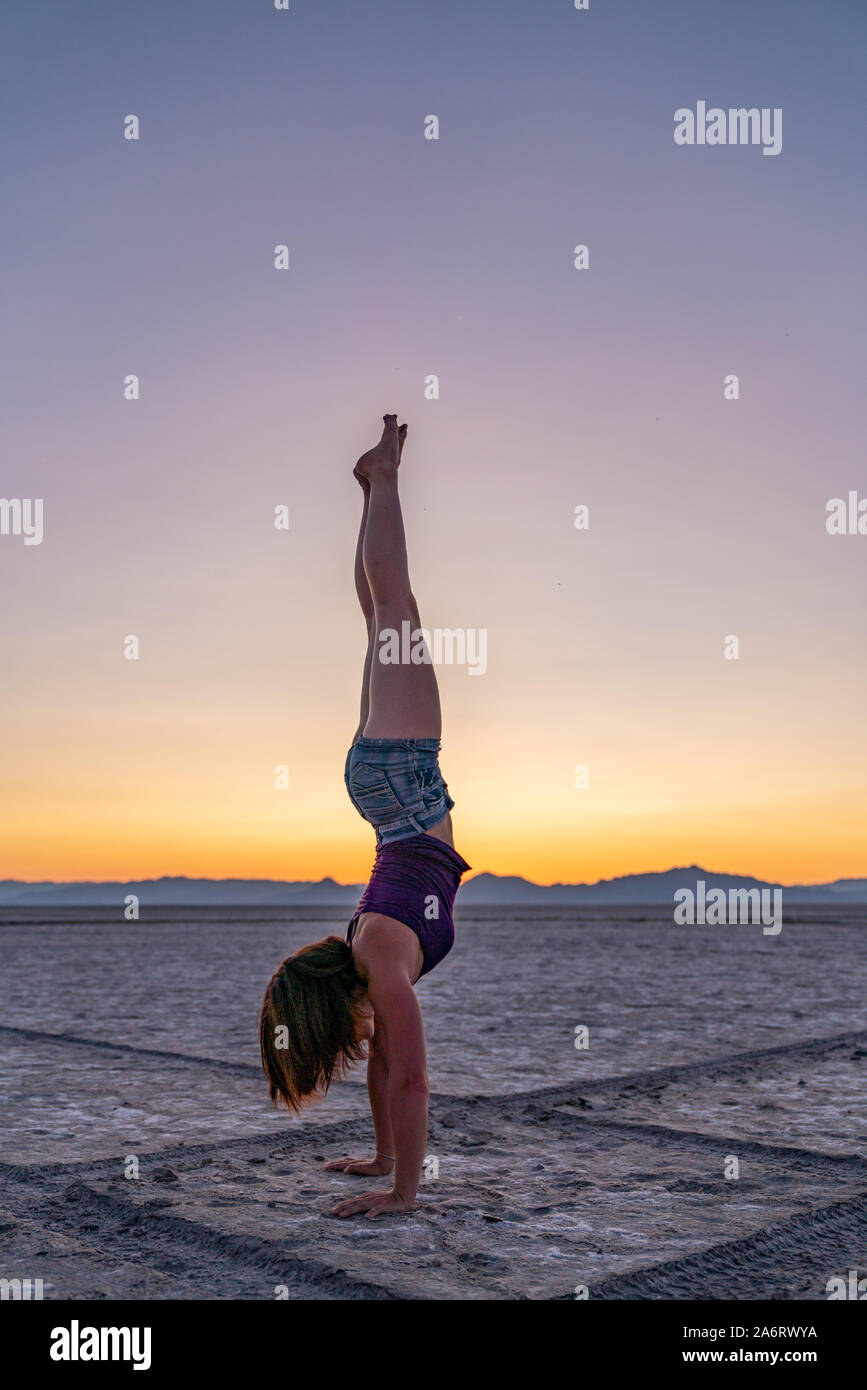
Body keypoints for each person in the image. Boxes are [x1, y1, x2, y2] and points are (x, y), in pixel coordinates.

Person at [259, 415, 471, 1218]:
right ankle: (371, 482)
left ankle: (380, 480)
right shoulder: (369, 959)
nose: (354, 1042)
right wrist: (384, 1163)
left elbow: (411, 1078)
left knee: (395, 606)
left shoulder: (379, 954)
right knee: (382, 617)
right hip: (387, 793)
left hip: (403, 782)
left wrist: (402, 1196)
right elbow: (392, 1069)